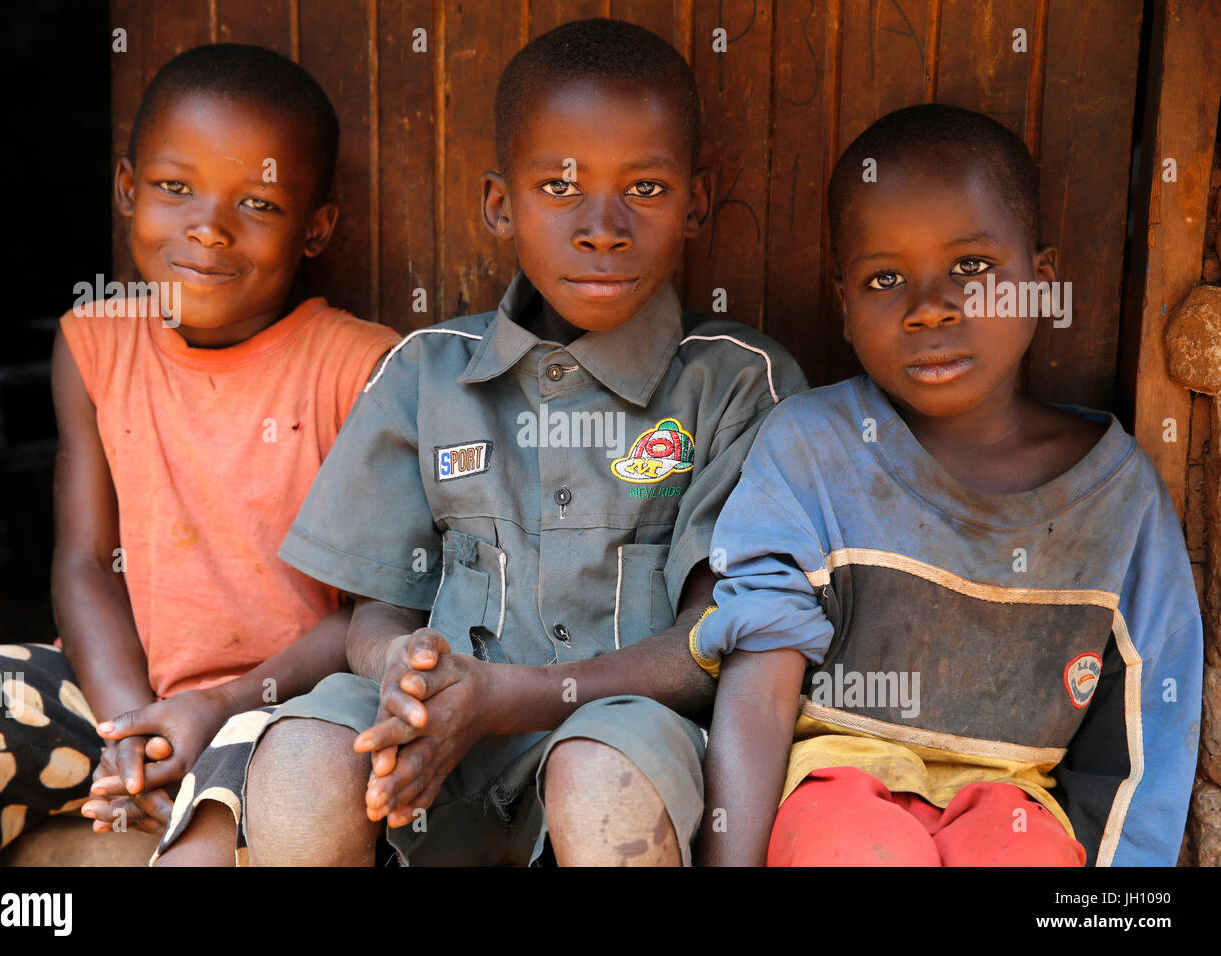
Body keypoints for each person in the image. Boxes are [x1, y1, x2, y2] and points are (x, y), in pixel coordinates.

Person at [203, 18, 807, 867]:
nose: (603, 225)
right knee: (301, 761)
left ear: (697, 201)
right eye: (559, 188)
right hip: (441, 736)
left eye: (646, 187)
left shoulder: (735, 382)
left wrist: (504, 698)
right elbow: (376, 609)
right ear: (499, 202)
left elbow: (716, 634)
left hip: (618, 740)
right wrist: (408, 678)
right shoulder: (426, 374)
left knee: (602, 780)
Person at [0, 43, 399, 867]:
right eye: (175, 188)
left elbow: (373, 614)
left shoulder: (362, 368)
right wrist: (126, 729)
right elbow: (83, 563)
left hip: (291, 709)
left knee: (261, 804)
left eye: (257, 202)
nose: (208, 226)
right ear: (127, 189)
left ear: (316, 227)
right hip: (121, 693)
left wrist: (214, 709)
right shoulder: (96, 344)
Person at [693, 103, 1203, 867]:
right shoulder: (813, 449)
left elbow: (1147, 746)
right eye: (885, 278)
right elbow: (760, 685)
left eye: (971, 268)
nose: (930, 308)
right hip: (835, 784)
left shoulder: (1120, 498)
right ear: (845, 303)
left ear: (1041, 280)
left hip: (1020, 807)